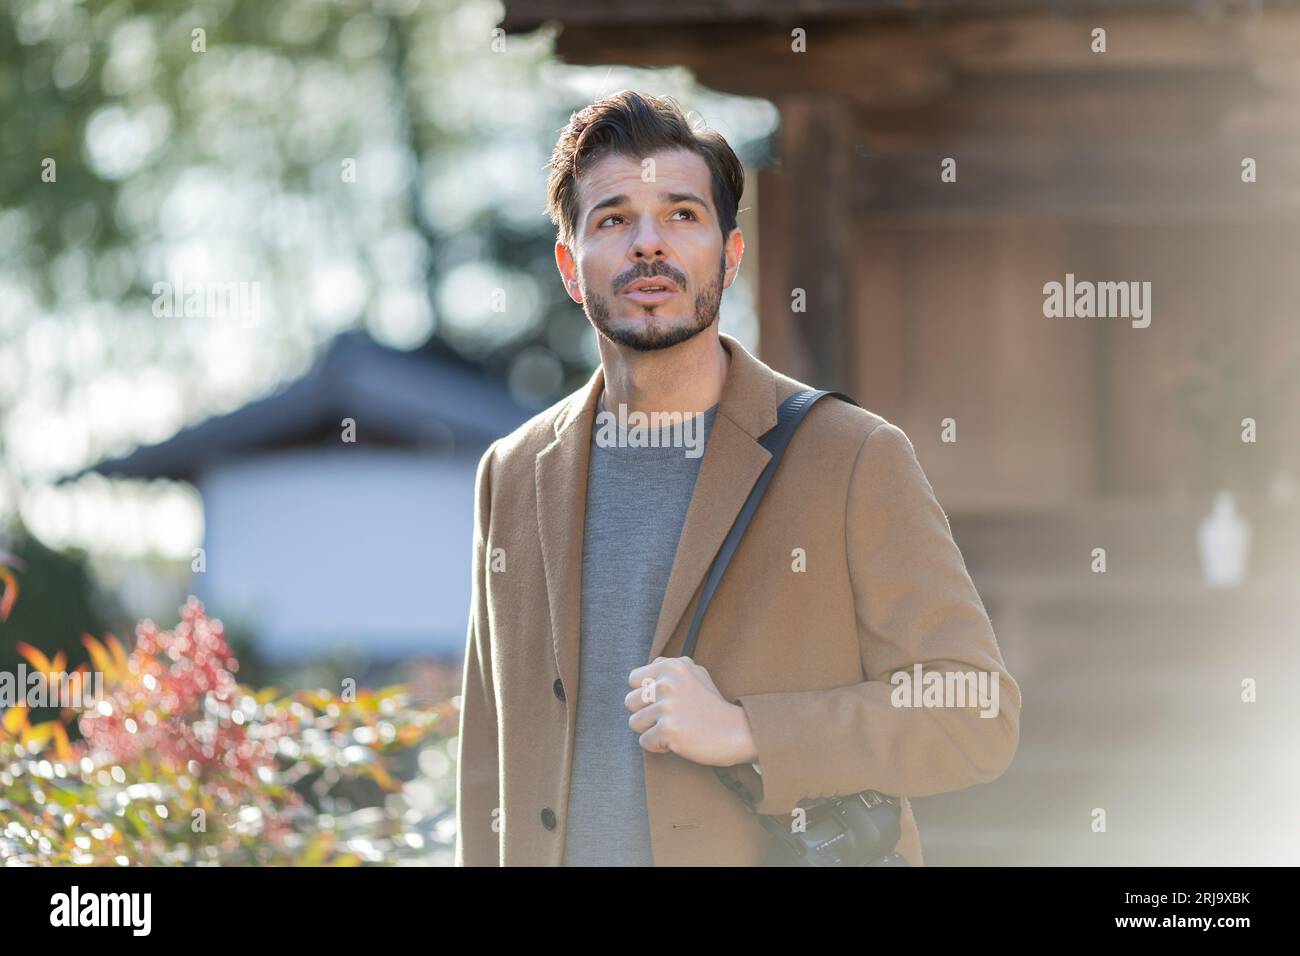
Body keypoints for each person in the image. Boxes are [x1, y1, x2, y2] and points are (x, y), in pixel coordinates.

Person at [454, 90, 1019, 866]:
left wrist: (753, 730)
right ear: (570, 268)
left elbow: (975, 714)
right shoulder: (511, 474)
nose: (648, 245)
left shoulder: (851, 455)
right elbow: (488, 760)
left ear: (729, 254)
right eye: (613, 219)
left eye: (682, 215)